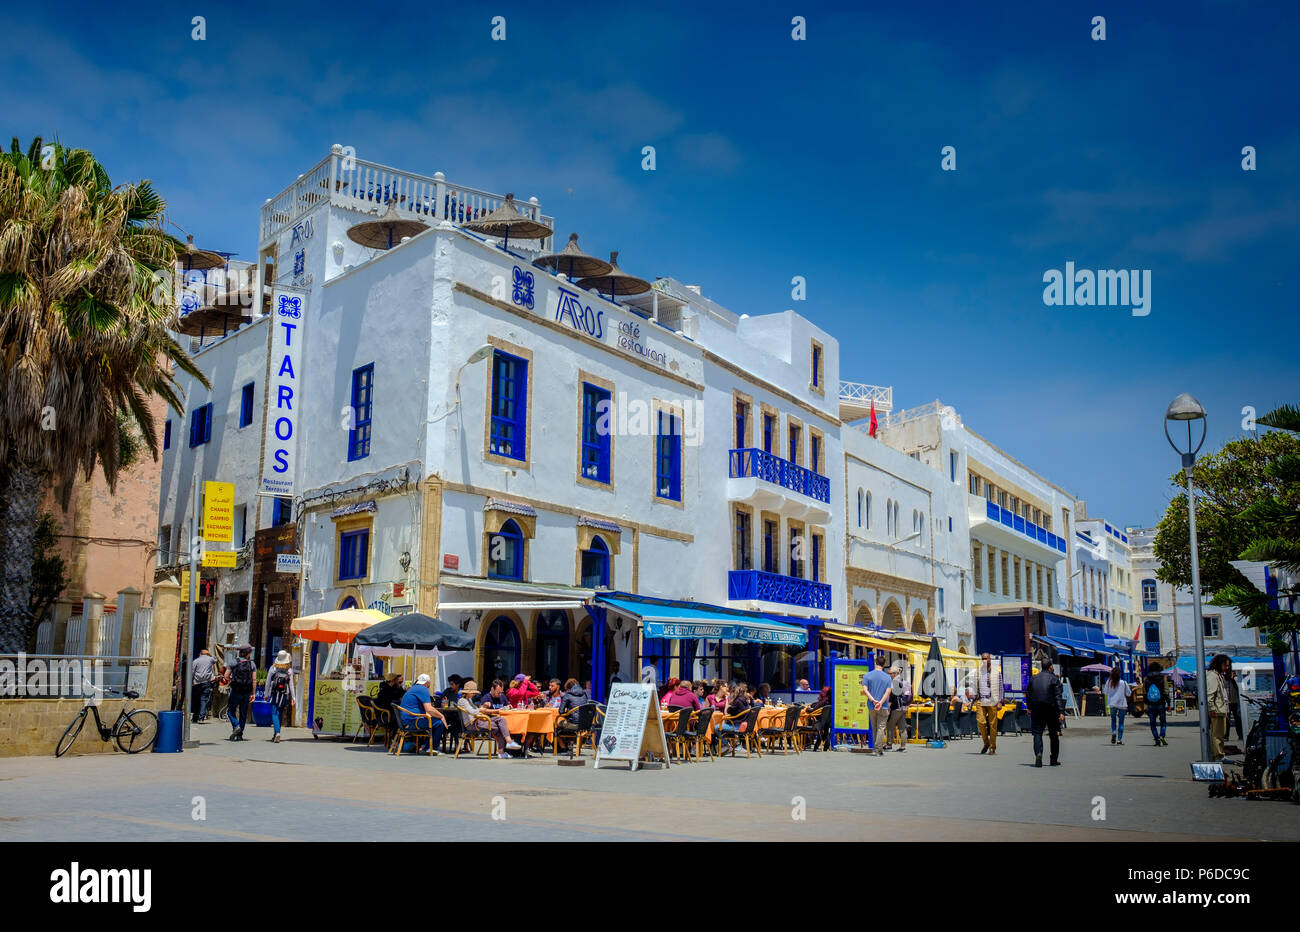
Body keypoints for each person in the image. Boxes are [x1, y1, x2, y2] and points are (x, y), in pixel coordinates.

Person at [456, 680, 517, 757]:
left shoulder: (469, 700)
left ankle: (508, 743)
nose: (474, 694)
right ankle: (503, 750)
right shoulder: (462, 701)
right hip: (472, 724)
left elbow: (476, 709)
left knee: (501, 720)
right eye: (473, 693)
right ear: (468, 692)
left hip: (478, 721)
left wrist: (482, 708)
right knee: (501, 727)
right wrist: (481, 710)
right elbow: (473, 712)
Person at [397, 673, 447, 755]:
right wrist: (442, 716)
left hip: (407, 721)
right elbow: (429, 709)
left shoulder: (413, 688)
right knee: (439, 723)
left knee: (433, 721)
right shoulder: (423, 689)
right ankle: (432, 748)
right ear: (427, 683)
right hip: (413, 721)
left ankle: (425, 746)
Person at [1027, 661, 1065, 767]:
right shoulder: (1054, 679)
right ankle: (1053, 759)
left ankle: (1038, 754)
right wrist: (1061, 712)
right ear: (1051, 667)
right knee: (1053, 735)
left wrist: (1029, 707)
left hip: (1037, 709)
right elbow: (1058, 697)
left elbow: (1028, 693)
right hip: (1051, 709)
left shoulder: (1033, 678)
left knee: (1037, 733)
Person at [966, 652, 1004, 755]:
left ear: (990, 659)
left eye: (985, 658)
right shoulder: (978, 672)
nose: (984, 660)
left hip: (992, 700)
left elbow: (1000, 687)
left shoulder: (996, 672)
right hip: (981, 700)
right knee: (980, 722)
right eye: (982, 658)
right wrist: (971, 697)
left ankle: (992, 747)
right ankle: (986, 743)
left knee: (992, 725)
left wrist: (1000, 701)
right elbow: (975, 687)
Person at [861, 654, 893, 757]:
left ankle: (876, 749)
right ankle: (878, 749)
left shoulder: (867, 675)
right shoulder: (887, 677)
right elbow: (888, 692)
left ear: (875, 663)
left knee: (874, 727)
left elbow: (865, 689)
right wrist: (880, 702)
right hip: (883, 706)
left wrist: (873, 700)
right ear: (884, 665)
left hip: (871, 705)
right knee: (881, 728)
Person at [263, 651, 297, 743]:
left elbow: (268, 683)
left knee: (274, 713)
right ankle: (276, 734)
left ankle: (277, 732)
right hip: (285, 695)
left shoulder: (273, 668)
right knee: (280, 713)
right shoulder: (289, 670)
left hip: (274, 693)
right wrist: (293, 698)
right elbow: (291, 685)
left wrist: (266, 695)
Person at [226, 645, 256, 741]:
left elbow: (226, 675)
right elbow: (254, 680)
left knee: (230, 710)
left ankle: (236, 725)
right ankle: (240, 735)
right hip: (246, 692)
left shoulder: (234, 662)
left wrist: (232, 680)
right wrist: (253, 693)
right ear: (248, 653)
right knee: (243, 713)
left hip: (236, 690)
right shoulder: (252, 664)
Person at [1207, 654, 1231, 760]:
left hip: (1221, 709)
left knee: (1221, 734)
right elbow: (1210, 693)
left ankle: (1220, 753)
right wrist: (1211, 708)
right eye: (1226, 665)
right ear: (1220, 664)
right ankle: (1218, 755)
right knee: (1217, 734)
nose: (1227, 668)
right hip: (1216, 709)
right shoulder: (1212, 676)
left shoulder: (1218, 675)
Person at [883, 662, 909, 752]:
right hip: (904, 707)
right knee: (902, 726)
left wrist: (888, 707)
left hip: (896, 707)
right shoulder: (904, 681)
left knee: (890, 724)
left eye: (890, 673)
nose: (889, 675)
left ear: (895, 673)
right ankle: (903, 746)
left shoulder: (894, 682)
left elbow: (892, 696)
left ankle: (889, 744)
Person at [1142, 663, 1169, 747]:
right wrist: (1168, 703)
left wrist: (1146, 703)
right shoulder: (1163, 678)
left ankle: (1157, 739)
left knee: (1152, 723)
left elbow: (1144, 692)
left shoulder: (1146, 679)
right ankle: (1162, 735)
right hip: (1161, 703)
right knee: (1163, 722)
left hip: (1151, 704)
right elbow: (1166, 692)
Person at [1104, 667, 1132, 745]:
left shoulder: (1109, 682)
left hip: (1112, 704)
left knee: (1113, 720)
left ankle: (1113, 732)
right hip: (1122, 704)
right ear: (1119, 674)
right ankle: (1119, 740)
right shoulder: (1124, 682)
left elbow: (1105, 692)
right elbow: (1128, 693)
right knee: (1121, 723)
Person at [191, 648, 216, 723]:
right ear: (207, 654)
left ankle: (195, 717)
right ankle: (201, 718)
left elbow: (192, 672)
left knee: (196, 700)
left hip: (197, 683)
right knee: (203, 700)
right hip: (206, 682)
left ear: (200, 654)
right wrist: (210, 655)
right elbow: (216, 660)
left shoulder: (196, 661)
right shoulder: (210, 659)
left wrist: (191, 681)